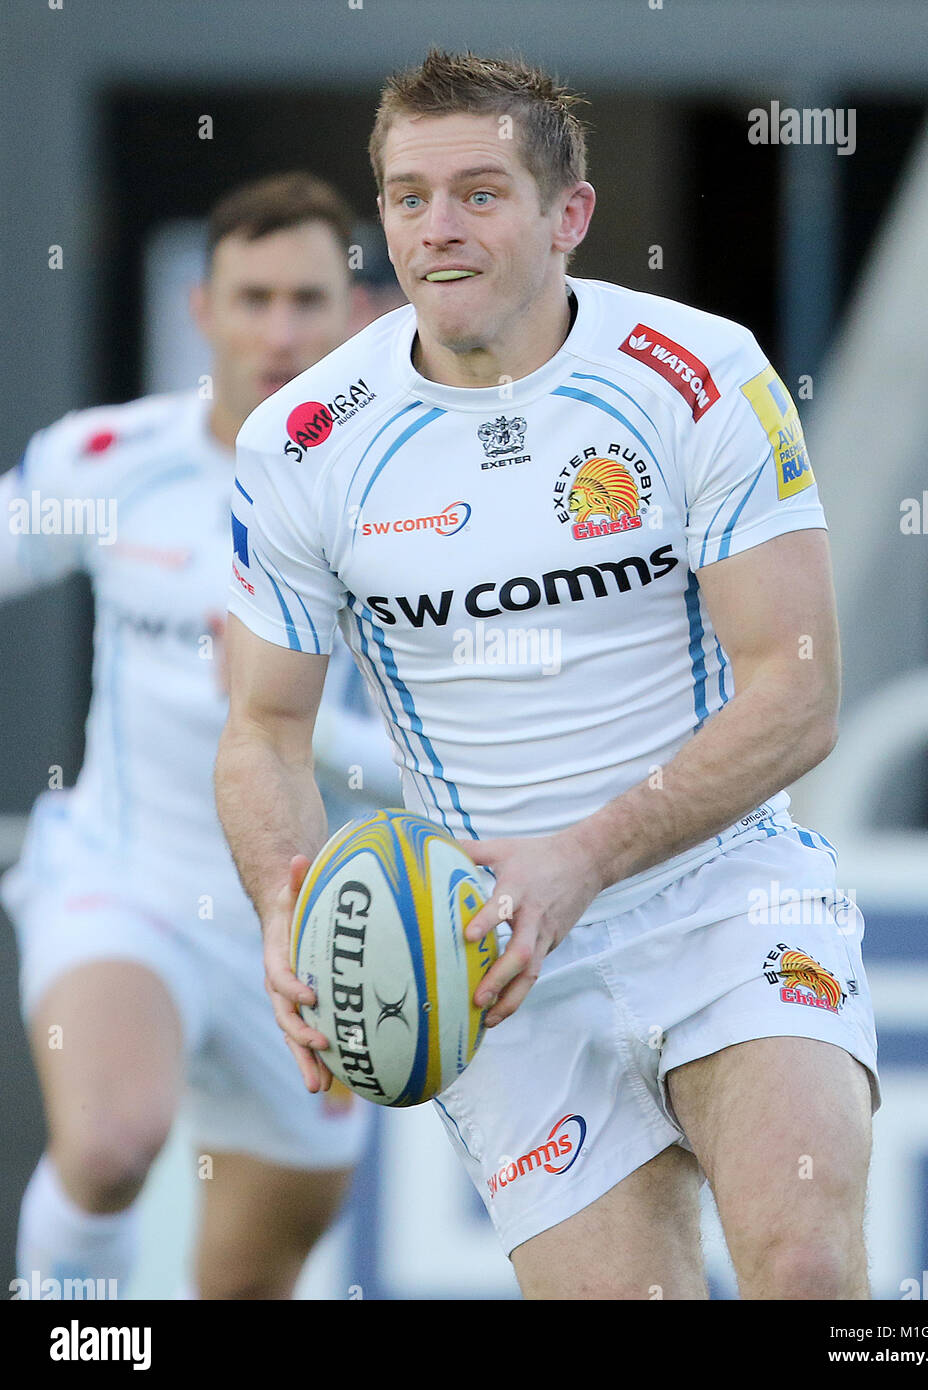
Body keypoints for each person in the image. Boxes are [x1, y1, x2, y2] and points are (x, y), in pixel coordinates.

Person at [216, 53, 881, 1301]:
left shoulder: (698, 373)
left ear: (567, 215)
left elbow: (796, 693)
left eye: (479, 192)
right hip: (487, 953)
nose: (436, 229)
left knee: (802, 1264)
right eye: (408, 198)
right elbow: (261, 729)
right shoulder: (301, 441)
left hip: (724, 894)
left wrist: (582, 857)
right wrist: (282, 911)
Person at [0, 172, 391, 1300]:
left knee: (246, 1284)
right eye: (252, 297)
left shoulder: (404, 507)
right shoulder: (110, 460)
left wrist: (301, 738)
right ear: (202, 310)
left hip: (317, 935)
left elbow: (450, 776)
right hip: (126, 885)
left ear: (353, 314)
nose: (279, 331)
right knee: (113, 1141)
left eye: (307, 300)